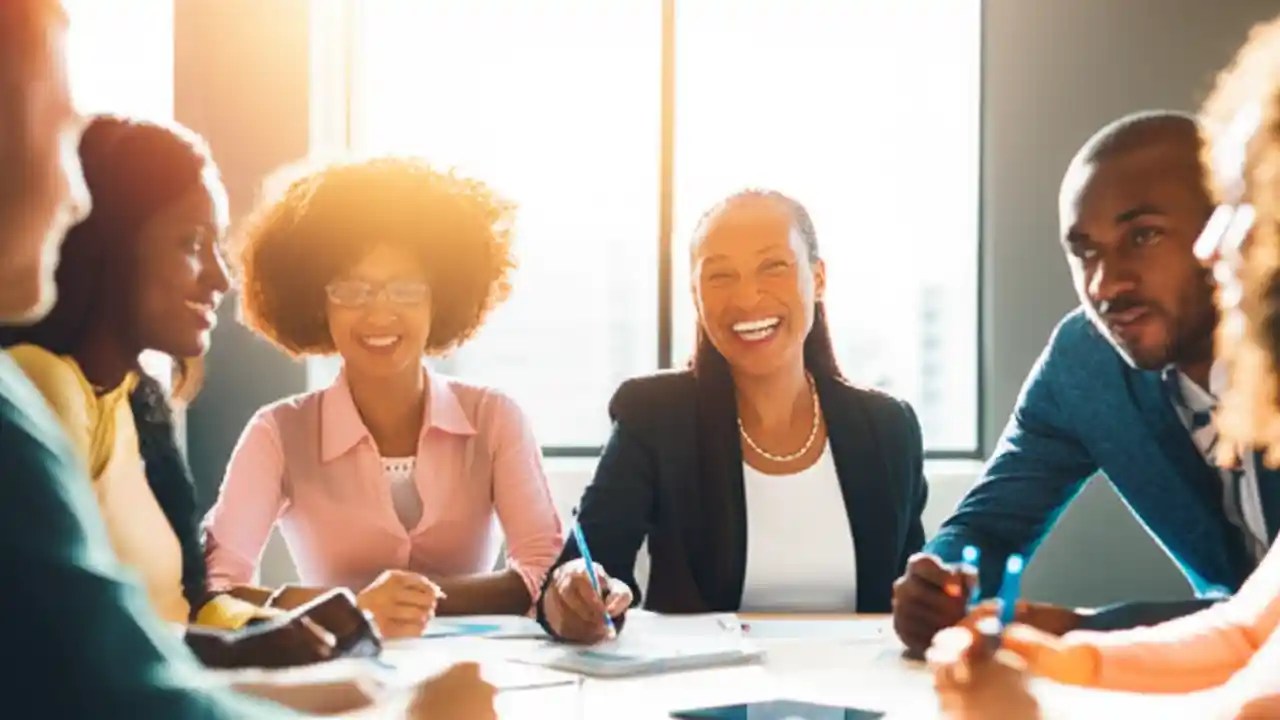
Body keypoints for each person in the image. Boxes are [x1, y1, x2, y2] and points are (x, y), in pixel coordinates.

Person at [0, 2, 495, 715]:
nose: (73, 198)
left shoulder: (138, 400)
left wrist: (282, 643)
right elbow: (106, 681)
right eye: (57, 132)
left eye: (404, 291)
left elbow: (175, 617)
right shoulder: (33, 394)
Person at [930, 15, 1280, 719]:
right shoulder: (1086, 364)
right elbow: (1248, 631)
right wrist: (1045, 650)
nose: (1215, 246)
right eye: (1084, 251)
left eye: (1239, 208)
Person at [0, 114, 353, 668]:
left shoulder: (137, 403)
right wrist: (243, 648)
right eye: (191, 243)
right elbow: (64, 634)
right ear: (108, 243)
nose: (220, 278)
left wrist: (281, 624)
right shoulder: (42, 383)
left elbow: (190, 603)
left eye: (218, 246)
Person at [538, 189, 928, 643]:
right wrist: (575, 595)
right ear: (695, 295)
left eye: (773, 267)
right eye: (720, 275)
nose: (746, 297)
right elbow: (577, 573)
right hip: (702, 703)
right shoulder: (655, 416)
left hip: (861, 704)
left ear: (818, 279)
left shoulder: (887, 428)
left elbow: (912, 608)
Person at [202, 157, 564, 638]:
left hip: (477, 680)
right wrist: (355, 606)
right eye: (352, 290)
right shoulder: (278, 432)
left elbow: (545, 572)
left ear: (440, 299)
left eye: (406, 290)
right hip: (340, 681)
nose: (379, 313)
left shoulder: (495, 417)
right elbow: (216, 586)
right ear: (317, 300)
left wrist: (411, 601)